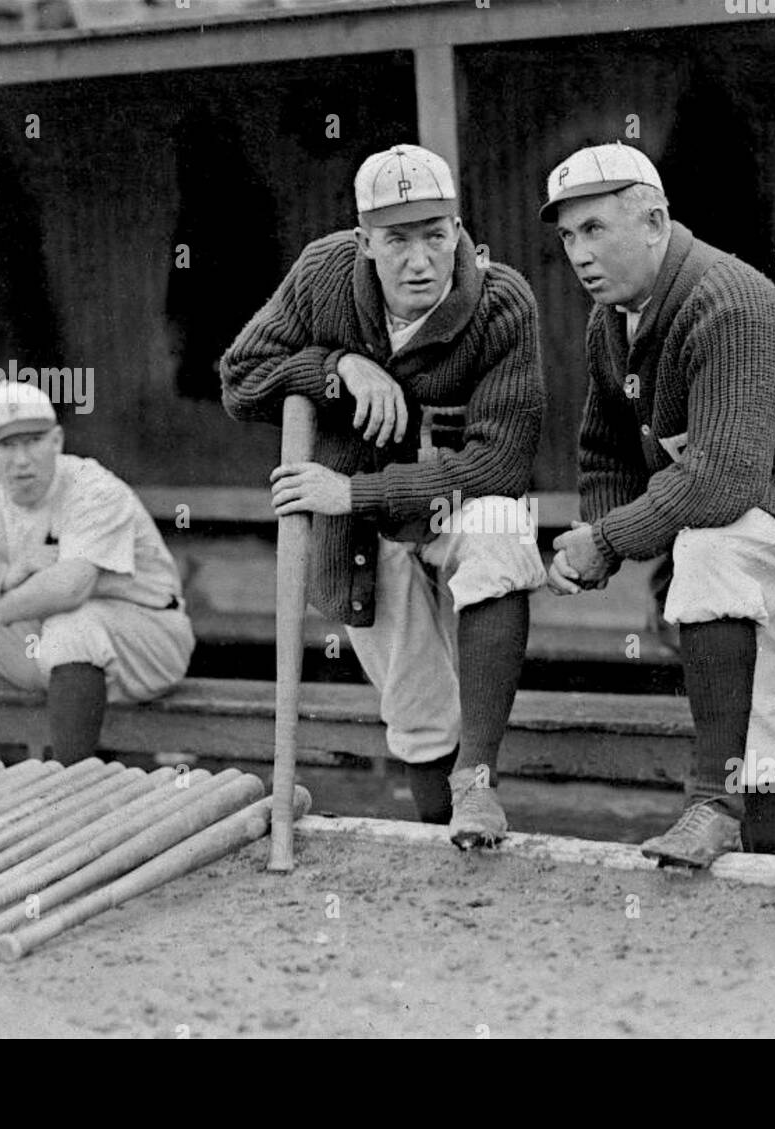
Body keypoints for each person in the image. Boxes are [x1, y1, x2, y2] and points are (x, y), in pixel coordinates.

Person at [541, 142, 775, 867]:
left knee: (712, 549)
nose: (580, 252)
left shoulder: (724, 300)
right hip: (751, 489)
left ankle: (711, 802)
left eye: (597, 228)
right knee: (770, 676)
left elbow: (720, 482)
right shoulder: (611, 319)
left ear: (655, 221)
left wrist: (608, 541)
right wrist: (600, 528)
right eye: (569, 235)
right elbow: (606, 447)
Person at [221, 143, 546, 849]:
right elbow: (240, 378)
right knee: (415, 700)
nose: (420, 259)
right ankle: (448, 845)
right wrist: (338, 367)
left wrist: (355, 491)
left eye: (435, 234)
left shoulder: (501, 301)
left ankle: (477, 781)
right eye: (397, 239)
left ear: (458, 230)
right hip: (361, 535)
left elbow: (501, 461)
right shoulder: (325, 274)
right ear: (366, 240)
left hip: (434, 499)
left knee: (500, 531)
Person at [0, 381, 194, 766]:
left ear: (57, 441)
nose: (22, 459)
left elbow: (69, 589)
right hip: (47, 647)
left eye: (33, 441)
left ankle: (70, 786)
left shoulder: (92, 487)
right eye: (6, 445)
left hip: (149, 640)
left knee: (72, 624)